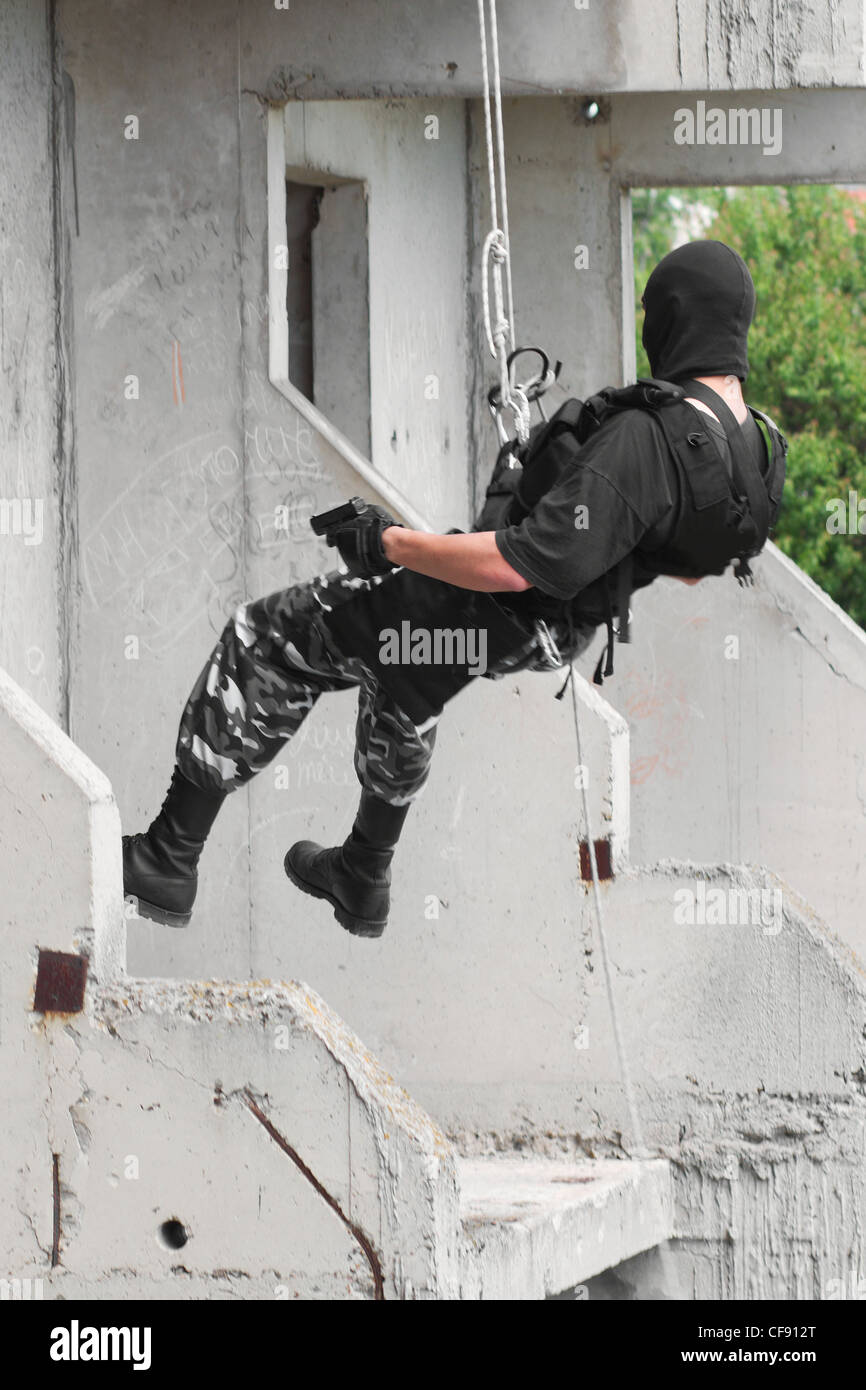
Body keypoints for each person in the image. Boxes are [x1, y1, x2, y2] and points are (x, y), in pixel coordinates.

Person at [122, 239, 785, 938]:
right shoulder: (755, 455)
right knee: (408, 677)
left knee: (269, 638)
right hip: (549, 633)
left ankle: (169, 854)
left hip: (488, 603)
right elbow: (686, 559)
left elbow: (520, 564)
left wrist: (388, 542)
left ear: (678, 316)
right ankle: (363, 874)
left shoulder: (648, 438)